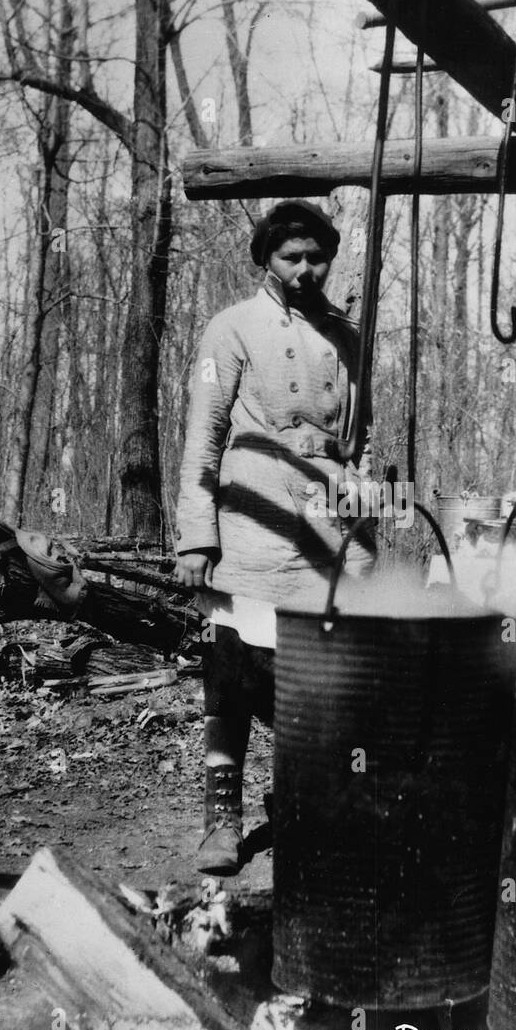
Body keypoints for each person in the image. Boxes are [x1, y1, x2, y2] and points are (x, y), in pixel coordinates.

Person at [174, 200, 375, 875]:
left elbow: (358, 443)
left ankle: (297, 801)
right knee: (232, 677)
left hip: (325, 521)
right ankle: (220, 819)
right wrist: (197, 536)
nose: (305, 270)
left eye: (316, 257)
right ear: (266, 259)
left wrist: (366, 510)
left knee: (317, 676)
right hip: (250, 513)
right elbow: (203, 434)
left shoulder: (347, 337)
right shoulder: (230, 328)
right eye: (291, 257)